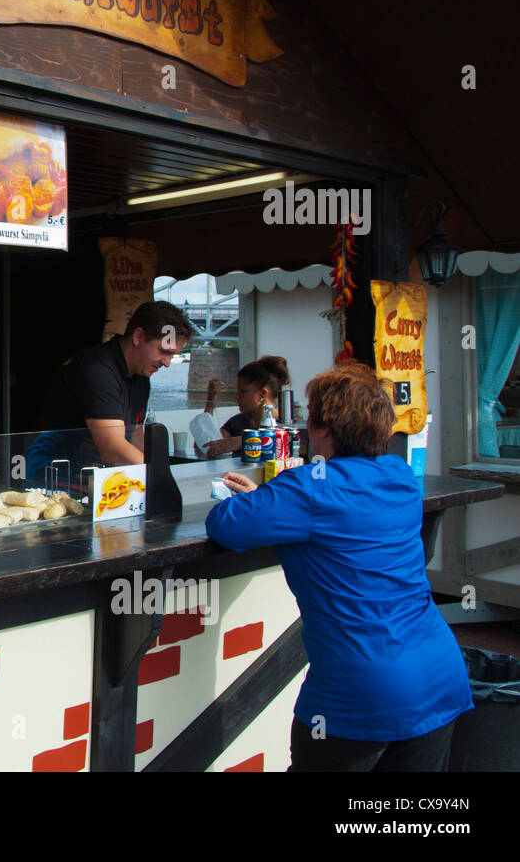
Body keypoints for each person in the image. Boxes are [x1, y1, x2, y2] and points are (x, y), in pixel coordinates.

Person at [206, 363, 472, 771]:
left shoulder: (309, 488)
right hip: (438, 678)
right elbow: (340, 513)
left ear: (324, 429)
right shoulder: (399, 476)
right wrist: (274, 500)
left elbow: (225, 525)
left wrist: (270, 498)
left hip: (359, 695)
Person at [28, 301, 194, 481]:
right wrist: (159, 477)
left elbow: (135, 435)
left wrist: (160, 469)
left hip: (91, 477)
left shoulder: (141, 378)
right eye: (164, 351)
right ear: (138, 336)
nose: (167, 363)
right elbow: (112, 448)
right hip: (53, 475)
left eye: (173, 355)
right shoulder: (96, 368)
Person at [197, 355, 291, 459]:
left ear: (262, 394)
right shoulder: (237, 422)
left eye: (243, 392)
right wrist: (210, 405)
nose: (236, 397)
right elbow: (204, 445)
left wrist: (244, 441)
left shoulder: (284, 428)